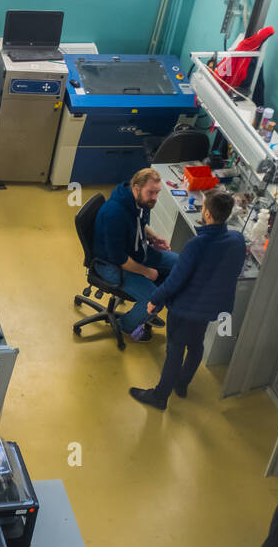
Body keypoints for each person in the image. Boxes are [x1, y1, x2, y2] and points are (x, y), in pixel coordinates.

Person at [128, 189, 244, 409]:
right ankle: (181, 384)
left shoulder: (196, 245)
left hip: (186, 308)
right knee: (196, 344)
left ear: (207, 214)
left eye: (203, 207)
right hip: (209, 307)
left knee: (175, 349)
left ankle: (160, 396)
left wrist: (155, 298)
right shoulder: (237, 240)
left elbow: (175, 280)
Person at [91, 168, 179, 342]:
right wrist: (147, 272)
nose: (155, 197)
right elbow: (119, 258)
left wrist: (154, 237)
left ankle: (144, 312)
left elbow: (138, 224)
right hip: (110, 264)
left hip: (136, 250)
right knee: (154, 298)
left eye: (157, 192)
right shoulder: (115, 213)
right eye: (151, 192)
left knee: (180, 264)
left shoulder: (140, 202)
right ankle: (127, 325)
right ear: (137, 188)